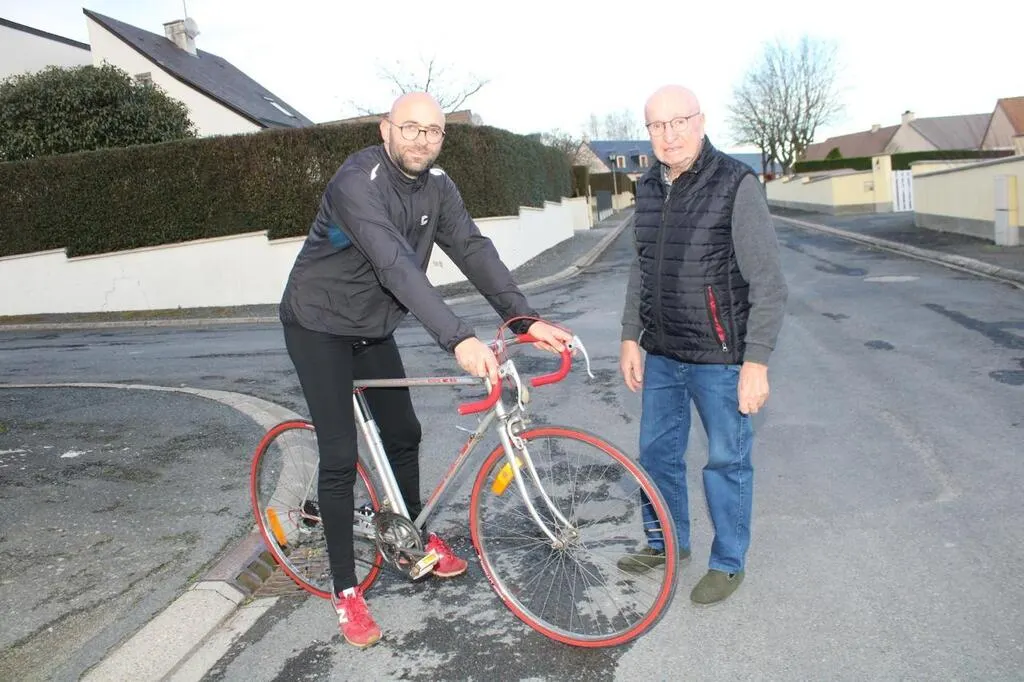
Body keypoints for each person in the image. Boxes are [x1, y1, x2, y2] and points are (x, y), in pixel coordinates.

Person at [278, 91, 574, 648]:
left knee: (405, 432)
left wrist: (522, 318)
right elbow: (393, 264)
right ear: (386, 129)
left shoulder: (438, 186)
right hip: (317, 324)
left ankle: (409, 538)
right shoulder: (355, 183)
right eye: (410, 128)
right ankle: (346, 592)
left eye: (433, 131)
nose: (421, 139)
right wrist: (458, 339)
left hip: (369, 326)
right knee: (340, 454)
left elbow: (472, 247)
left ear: (442, 138)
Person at [616, 84, 788, 605]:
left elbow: (770, 283)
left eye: (678, 121)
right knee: (655, 455)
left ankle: (729, 563)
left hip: (721, 359)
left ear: (700, 120)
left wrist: (755, 361)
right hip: (664, 354)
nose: (668, 135)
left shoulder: (736, 184)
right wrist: (630, 336)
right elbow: (642, 269)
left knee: (725, 461)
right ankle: (667, 543)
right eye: (656, 126)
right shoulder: (648, 187)